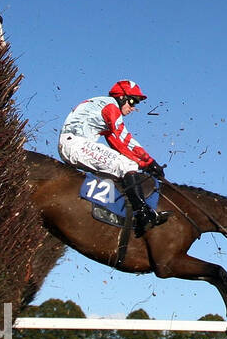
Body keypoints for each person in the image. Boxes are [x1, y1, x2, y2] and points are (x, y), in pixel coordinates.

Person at [59, 79, 169, 229]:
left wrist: (144, 163)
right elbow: (124, 140)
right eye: (132, 101)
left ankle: (108, 211)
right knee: (127, 165)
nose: (133, 108)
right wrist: (149, 162)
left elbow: (116, 143)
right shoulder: (111, 107)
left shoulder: (103, 105)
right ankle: (142, 213)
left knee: (121, 167)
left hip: (73, 143)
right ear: (122, 97)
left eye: (136, 104)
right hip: (76, 144)